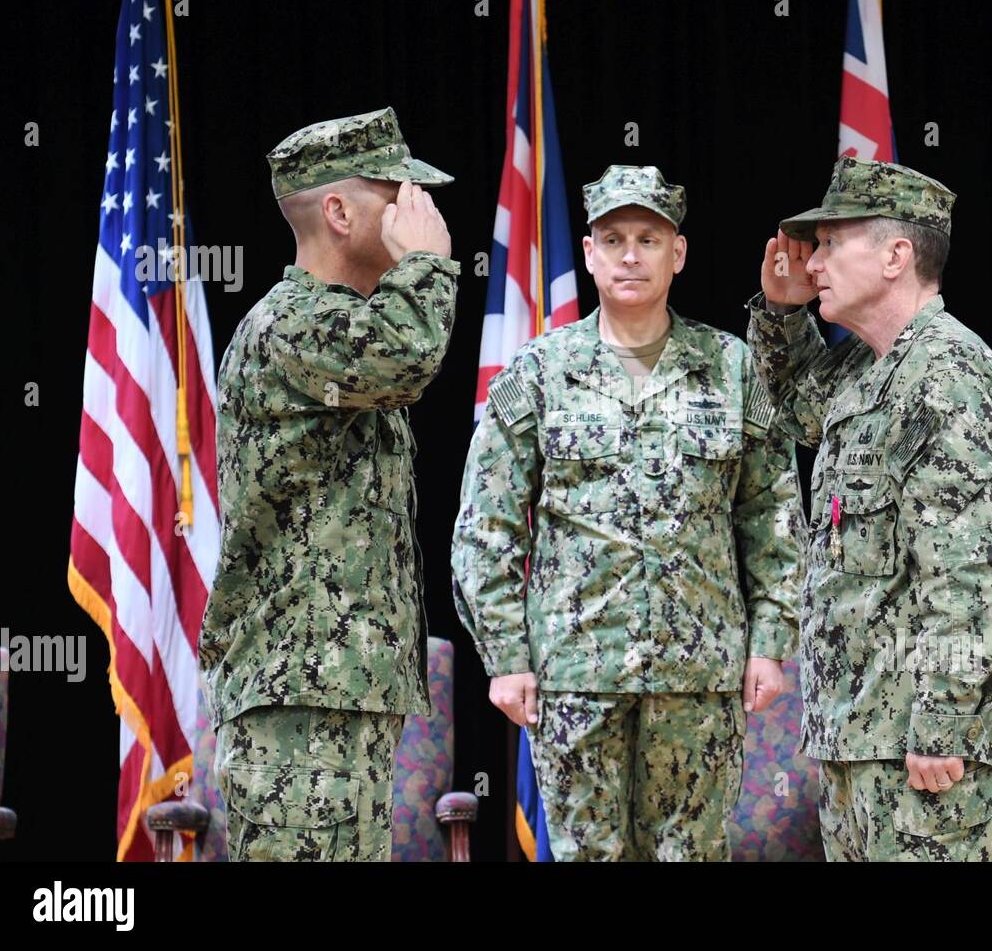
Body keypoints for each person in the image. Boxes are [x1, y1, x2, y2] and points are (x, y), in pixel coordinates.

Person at [452, 165, 805, 861]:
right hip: (576, 674)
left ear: (678, 253)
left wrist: (769, 641)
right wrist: (506, 656)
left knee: (693, 854)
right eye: (613, 239)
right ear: (588, 253)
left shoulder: (733, 369)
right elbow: (485, 525)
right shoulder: (538, 372)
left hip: (698, 675)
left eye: (648, 238)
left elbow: (772, 517)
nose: (631, 255)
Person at [747, 155, 992, 862]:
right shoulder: (869, 367)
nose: (813, 260)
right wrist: (783, 312)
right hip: (861, 734)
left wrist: (942, 722)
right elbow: (793, 409)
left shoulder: (946, 377)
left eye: (832, 242)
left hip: (923, 746)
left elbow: (976, 580)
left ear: (896, 255)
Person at [199, 106, 458, 861]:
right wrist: (429, 264)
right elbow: (411, 355)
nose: (421, 211)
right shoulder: (294, 327)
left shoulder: (341, 326)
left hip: (336, 692)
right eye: (399, 194)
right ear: (340, 212)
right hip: (298, 696)